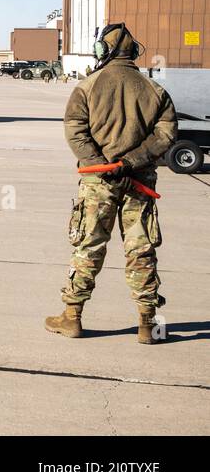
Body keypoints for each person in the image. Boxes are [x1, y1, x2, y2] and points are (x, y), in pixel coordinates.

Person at [46, 23, 176, 344]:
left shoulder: (87, 88)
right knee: (141, 248)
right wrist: (131, 162)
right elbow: (166, 135)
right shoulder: (155, 91)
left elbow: (75, 129)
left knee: (89, 244)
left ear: (102, 52)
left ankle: (72, 317)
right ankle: (147, 323)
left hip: (97, 183)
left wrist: (98, 163)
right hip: (139, 182)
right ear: (133, 52)